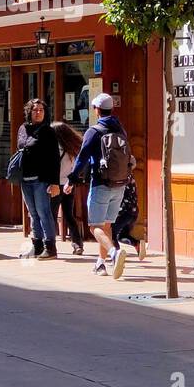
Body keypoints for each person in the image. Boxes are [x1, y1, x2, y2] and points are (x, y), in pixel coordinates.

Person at [64, 92, 131, 280]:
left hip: (100, 183)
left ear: (96, 110)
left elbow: (82, 158)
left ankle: (114, 253)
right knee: (106, 225)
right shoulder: (121, 130)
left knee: (95, 226)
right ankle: (100, 264)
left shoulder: (94, 131)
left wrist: (71, 180)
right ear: (112, 109)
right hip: (119, 184)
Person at [15, 99, 61, 261]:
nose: (38, 112)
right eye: (35, 110)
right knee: (33, 213)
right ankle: (38, 245)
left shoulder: (48, 132)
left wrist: (55, 182)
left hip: (41, 179)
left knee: (44, 212)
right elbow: (20, 149)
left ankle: (51, 247)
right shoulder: (22, 128)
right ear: (29, 112)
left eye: (41, 110)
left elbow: (55, 159)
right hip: (25, 178)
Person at [50, 121, 84, 256]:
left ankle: (51, 244)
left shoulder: (55, 149)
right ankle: (77, 244)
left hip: (56, 184)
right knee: (69, 215)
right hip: (69, 184)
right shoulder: (73, 148)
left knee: (51, 215)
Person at [112, 154, 146, 260]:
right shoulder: (131, 177)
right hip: (133, 212)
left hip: (123, 212)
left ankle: (116, 256)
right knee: (122, 236)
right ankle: (137, 243)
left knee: (111, 233)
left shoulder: (121, 178)